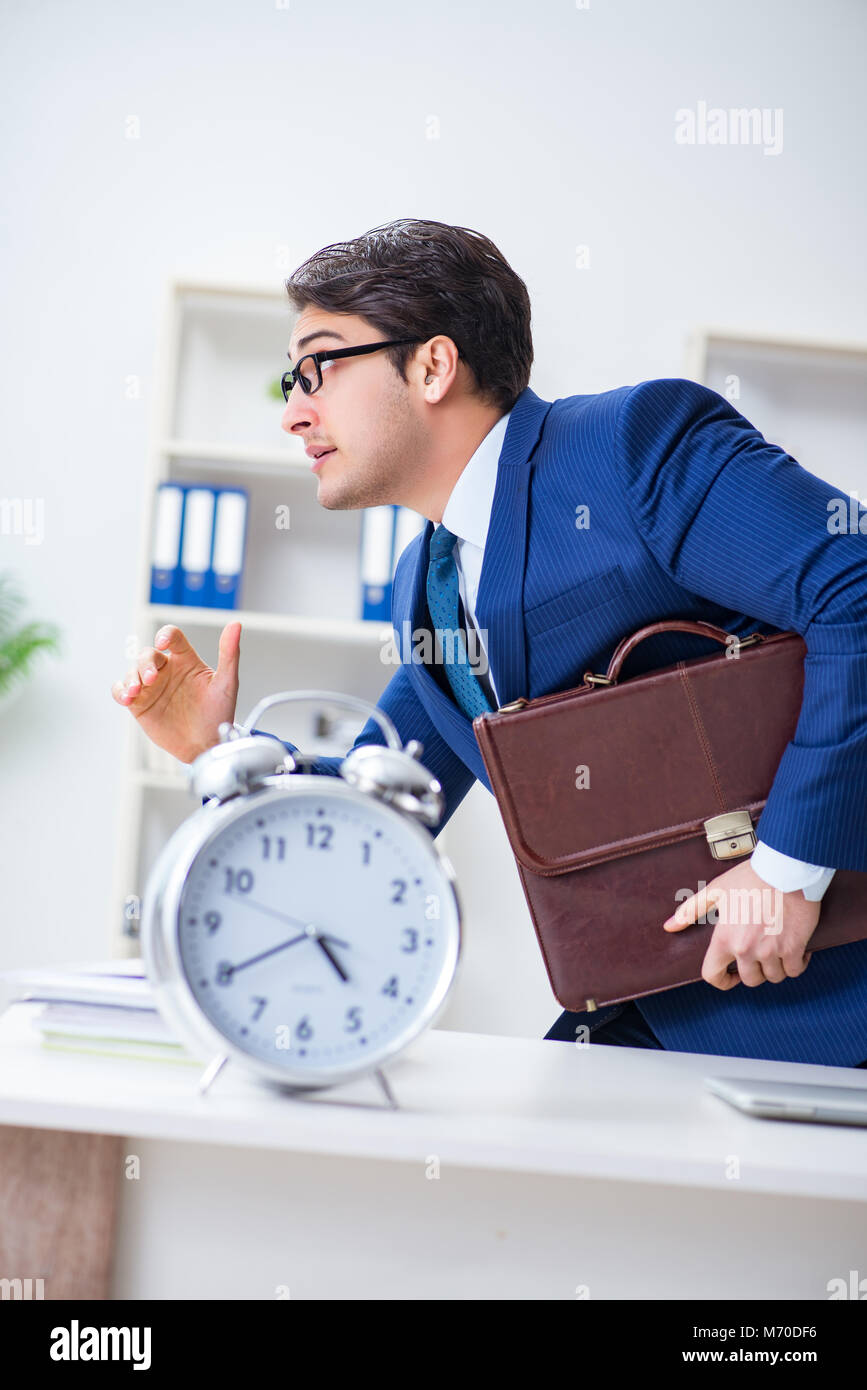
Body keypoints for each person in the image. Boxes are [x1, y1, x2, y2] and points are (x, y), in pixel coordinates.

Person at [112, 217, 867, 1069]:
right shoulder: (424, 584)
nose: (294, 413)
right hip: (648, 1009)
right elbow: (384, 809)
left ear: (432, 365)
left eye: (318, 368)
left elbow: (855, 591)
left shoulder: (630, 448)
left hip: (833, 1002)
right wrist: (219, 747)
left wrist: (786, 872)